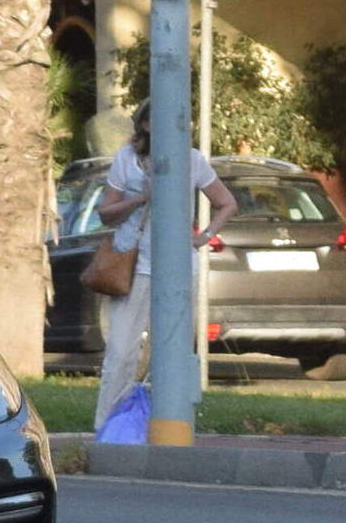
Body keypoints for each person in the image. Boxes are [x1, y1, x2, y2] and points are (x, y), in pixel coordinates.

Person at [94, 106, 238, 429]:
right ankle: (108, 426)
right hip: (133, 267)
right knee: (121, 352)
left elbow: (227, 202)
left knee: (170, 351)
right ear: (145, 123)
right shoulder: (126, 159)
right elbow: (106, 212)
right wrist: (139, 198)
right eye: (161, 118)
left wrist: (204, 237)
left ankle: (163, 423)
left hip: (177, 268)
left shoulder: (192, 159)